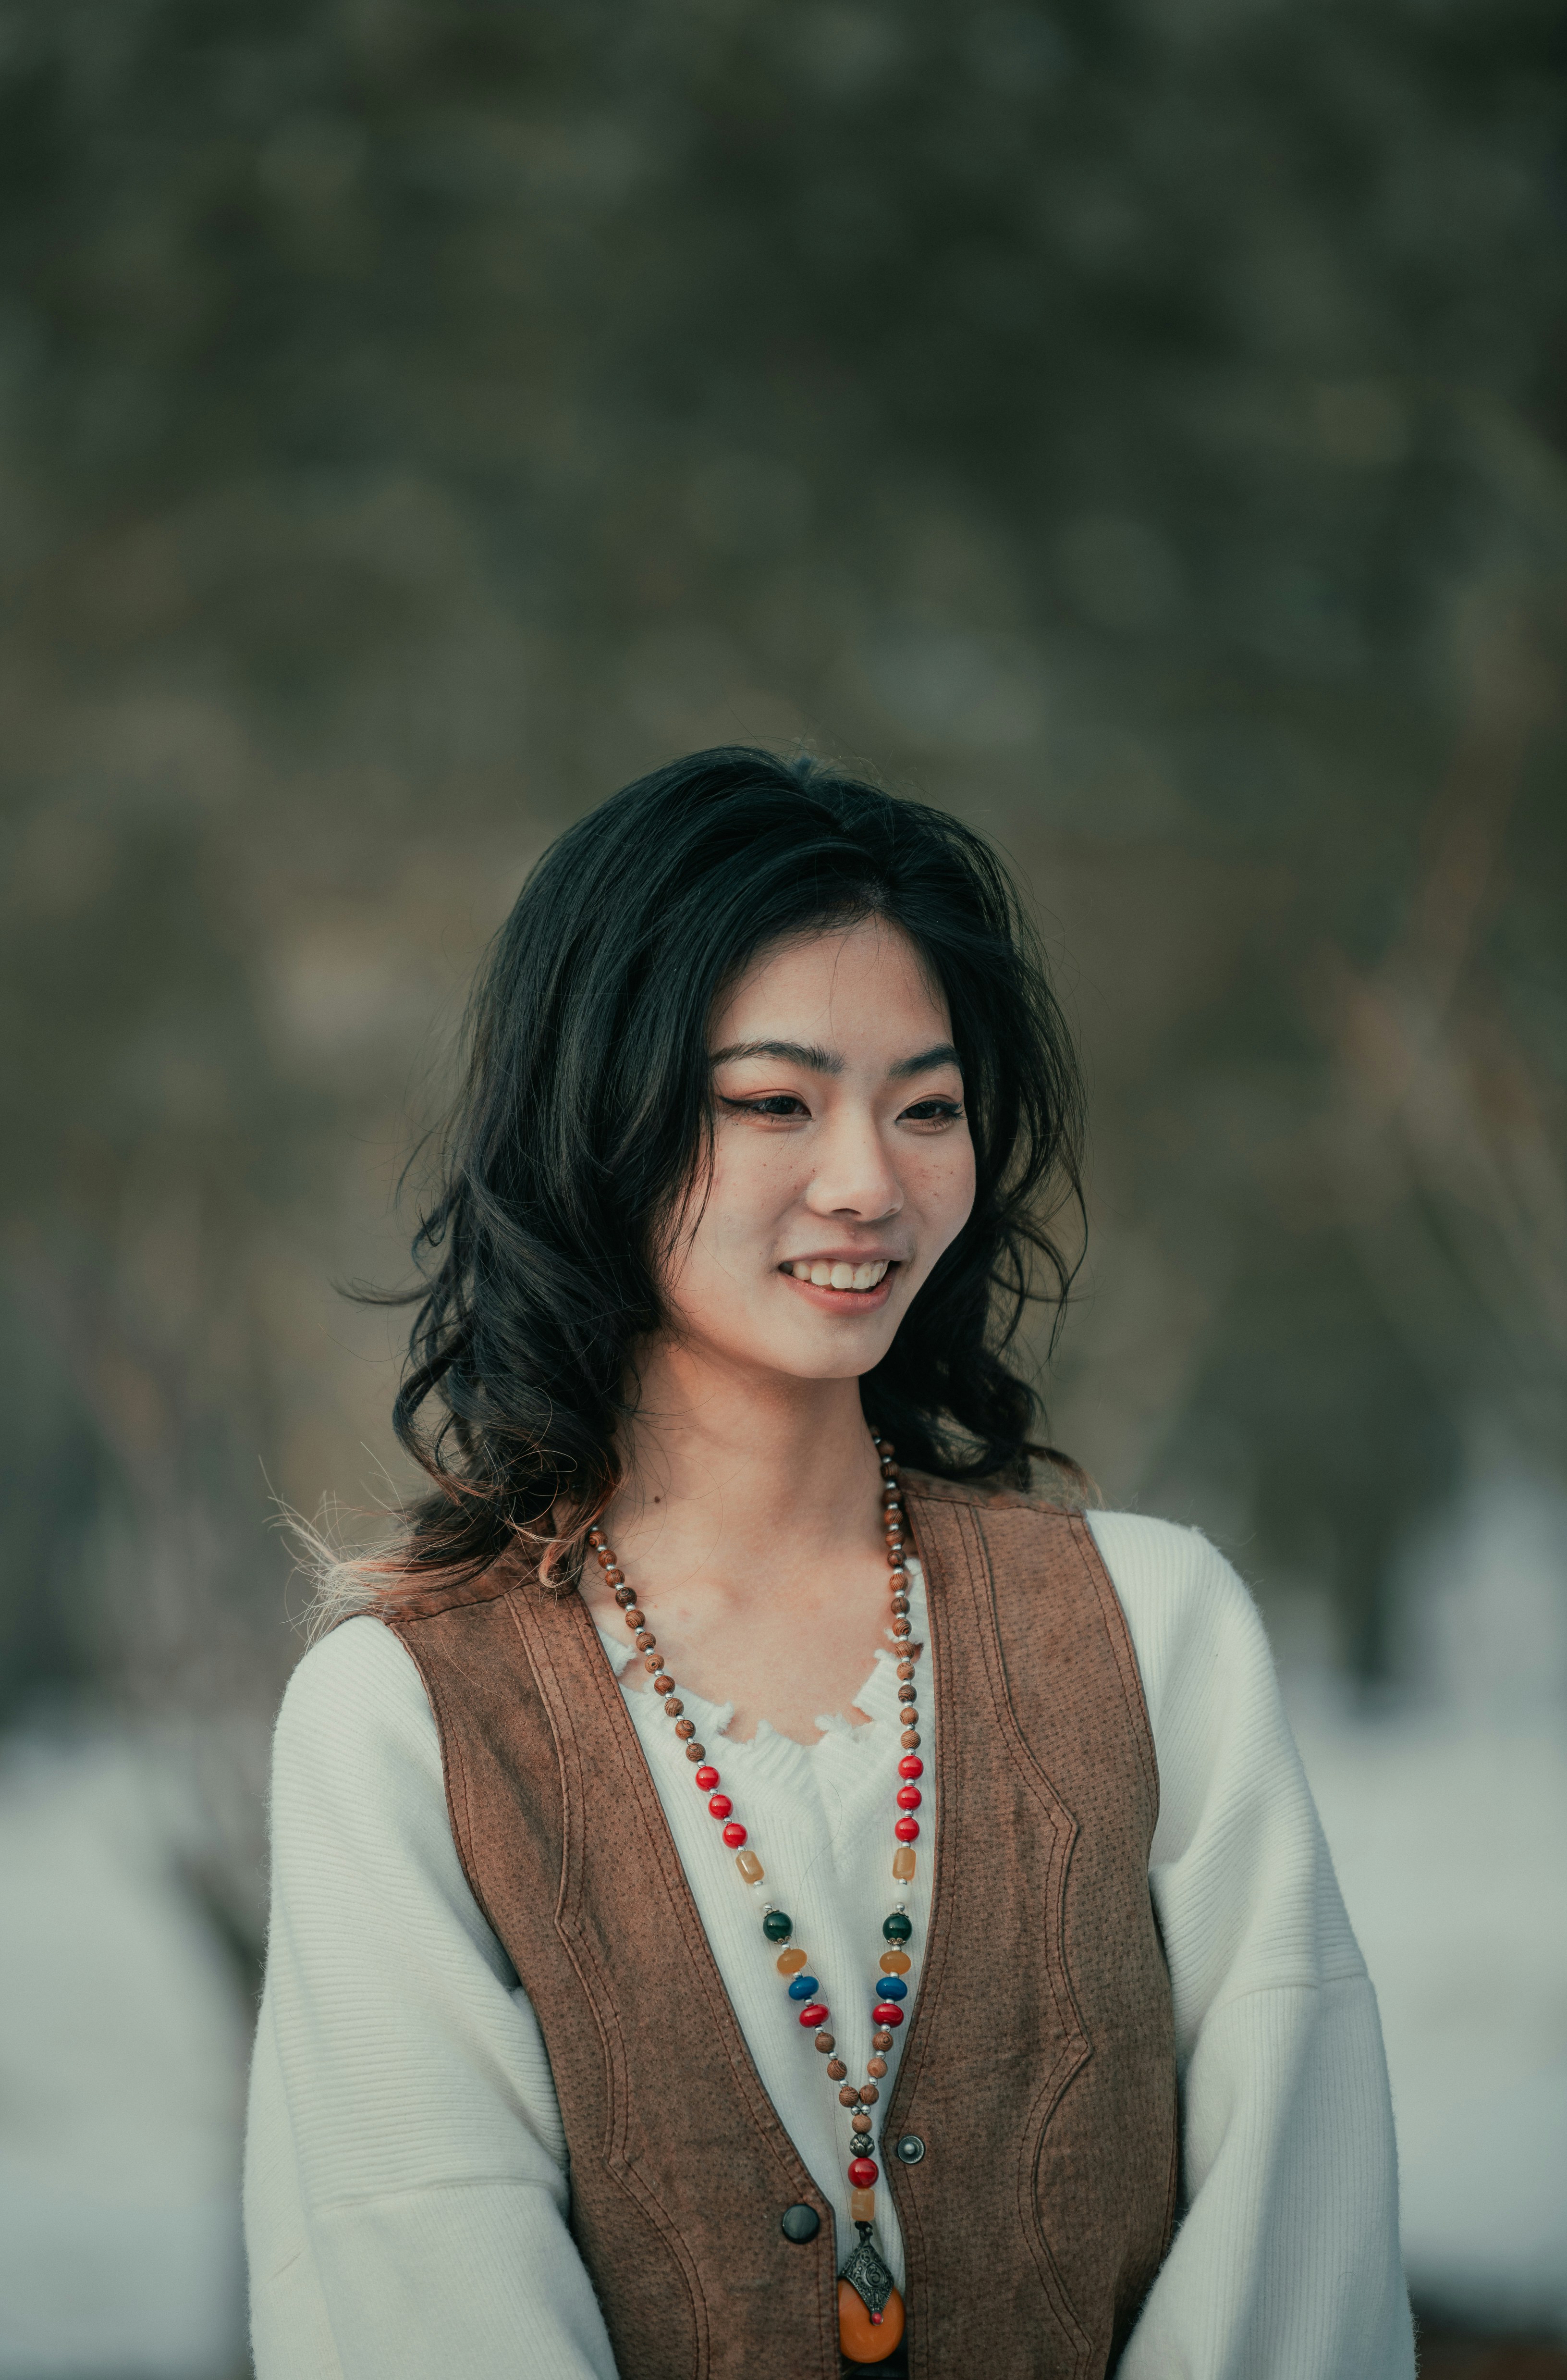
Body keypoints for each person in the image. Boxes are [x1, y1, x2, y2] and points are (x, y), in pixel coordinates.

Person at [244, 747, 1415, 2380]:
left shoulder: (1154, 1632)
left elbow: (1303, 2244)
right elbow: (414, 2274)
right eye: (774, 1102)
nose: (868, 1181)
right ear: (603, 1118)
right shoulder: (404, 1717)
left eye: (927, 1106)